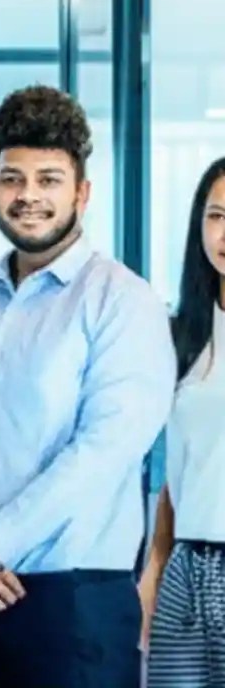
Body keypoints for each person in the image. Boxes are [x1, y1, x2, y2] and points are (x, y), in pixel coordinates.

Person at [0, 84, 176, 688]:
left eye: (49, 179)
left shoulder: (122, 301)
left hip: (76, 600)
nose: (28, 195)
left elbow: (104, 451)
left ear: (81, 193)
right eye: (12, 178)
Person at [140, 156, 225, 687]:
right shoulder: (179, 337)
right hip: (188, 571)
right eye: (217, 215)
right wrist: (153, 572)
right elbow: (177, 473)